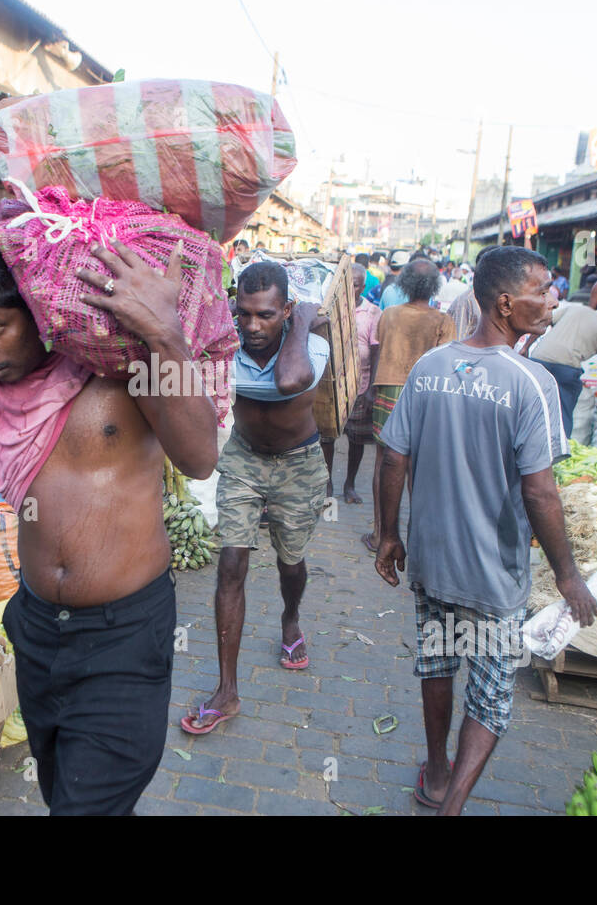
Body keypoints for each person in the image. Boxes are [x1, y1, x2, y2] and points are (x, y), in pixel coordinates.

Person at [0, 97, 219, 815]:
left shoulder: (119, 367)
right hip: (34, 626)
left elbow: (199, 457)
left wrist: (166, 336)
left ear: (39, 309)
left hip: (124, 638)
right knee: (63, 794)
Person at [373, 245, 597, 816]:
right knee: (491, 692)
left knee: (437, 662)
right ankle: (452, 808)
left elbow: (393, 455)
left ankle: (438, 771)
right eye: (541, 290)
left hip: (432, 562)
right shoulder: (534, 383)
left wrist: (389, 534)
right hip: (495, 577)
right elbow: (540, 490)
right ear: (504, 302)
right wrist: (568, 576)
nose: (551, 301)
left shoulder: (430, 368)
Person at [181, 261, 330, 733]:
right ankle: (227, 691)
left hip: (299, 465)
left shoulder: (313, 345)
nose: (252, 326)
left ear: (286, 309)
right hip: (244, 459)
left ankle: (290, 618)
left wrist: (303, 322)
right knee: (230, 564)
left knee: (291, 564)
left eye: (266, 315)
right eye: (243, 313)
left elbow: (289, 382)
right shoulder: (228, 345)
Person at [363, 259, 455, 552]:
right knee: (418, 467)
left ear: (405, 283)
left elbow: (378, 351)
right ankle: (417, 539)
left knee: (383, 461)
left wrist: (369, 390)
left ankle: (380, 534)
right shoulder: (443, 321)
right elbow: (446, 366)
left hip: (388, 388)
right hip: (426, 394)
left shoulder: (389, 315)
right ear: (434, 287)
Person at [527, 303, 597, 437]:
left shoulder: (576, 308)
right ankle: (560, 449)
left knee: (531, 406)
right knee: (563, 412)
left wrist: (526, 347)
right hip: (566, 369)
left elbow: (545, 321)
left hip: (538, 361)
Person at [323, 263, 381, 503]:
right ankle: (327, 483)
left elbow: (376, 351)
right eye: (346, 284)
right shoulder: (329, 307)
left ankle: (350, 484)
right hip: (332, 386)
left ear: (363, 287)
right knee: (327, 438)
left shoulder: (373, 313)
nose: (350, 289)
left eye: (355, 285)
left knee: (357, 439)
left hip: (360, 385)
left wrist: (372, 391)